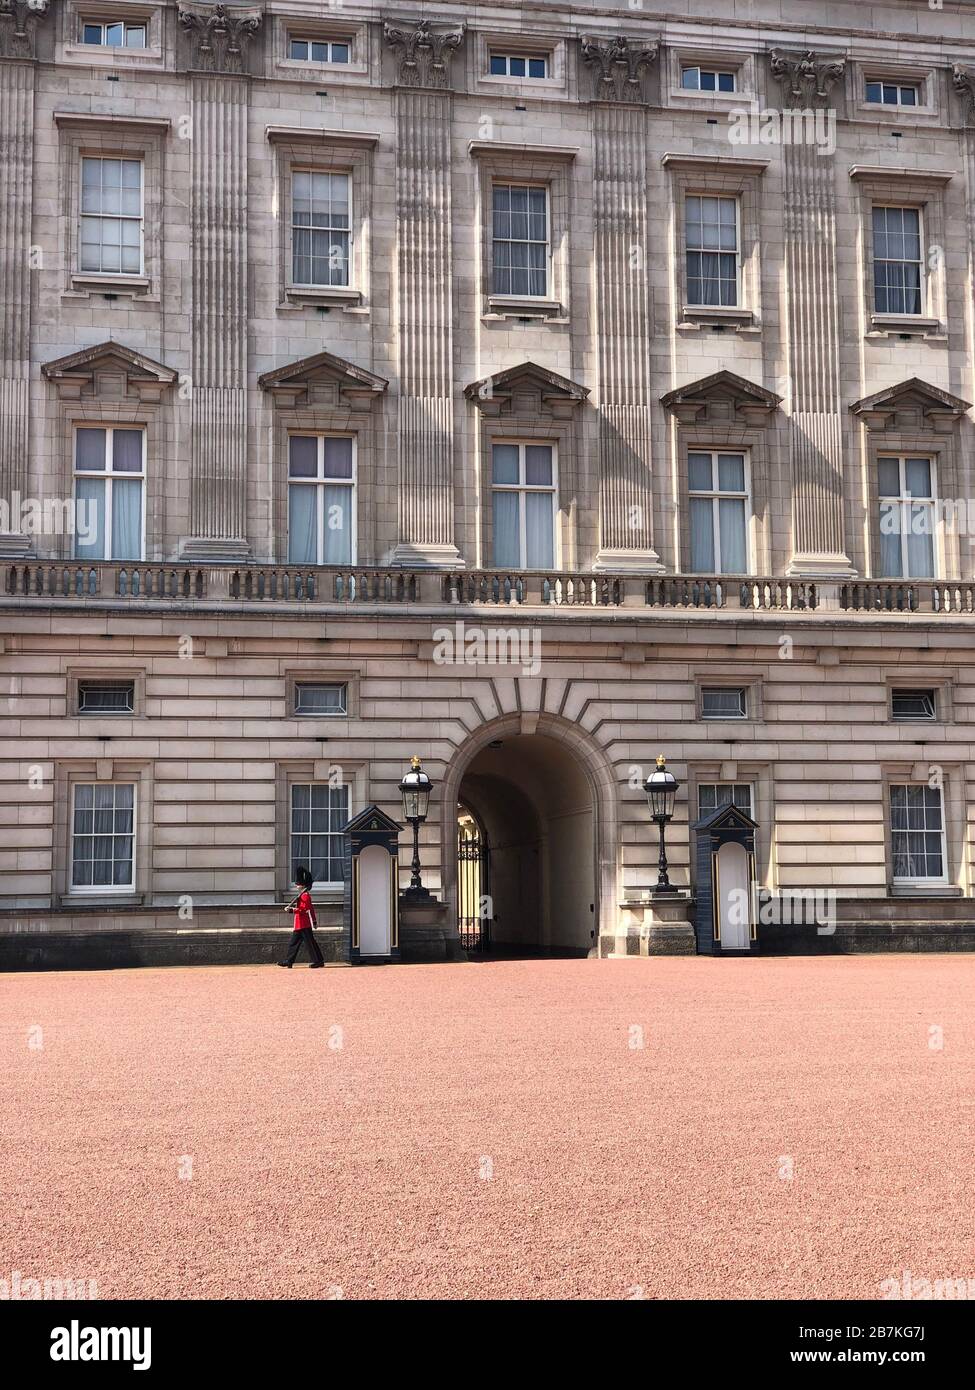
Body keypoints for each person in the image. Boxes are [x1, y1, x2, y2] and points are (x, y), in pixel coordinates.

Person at [278, 866, 325, 968]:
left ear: (302, 885)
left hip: (303, 924)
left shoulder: (305, 896)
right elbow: (311, 909)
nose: (296, 886)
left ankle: (317, 961)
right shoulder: (303, 895)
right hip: (300, 924)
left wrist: (291, 910)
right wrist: (314, 920)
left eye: (298, 884)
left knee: (310, 944)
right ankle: (289, 961)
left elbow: (304, 910)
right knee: (294, 943)